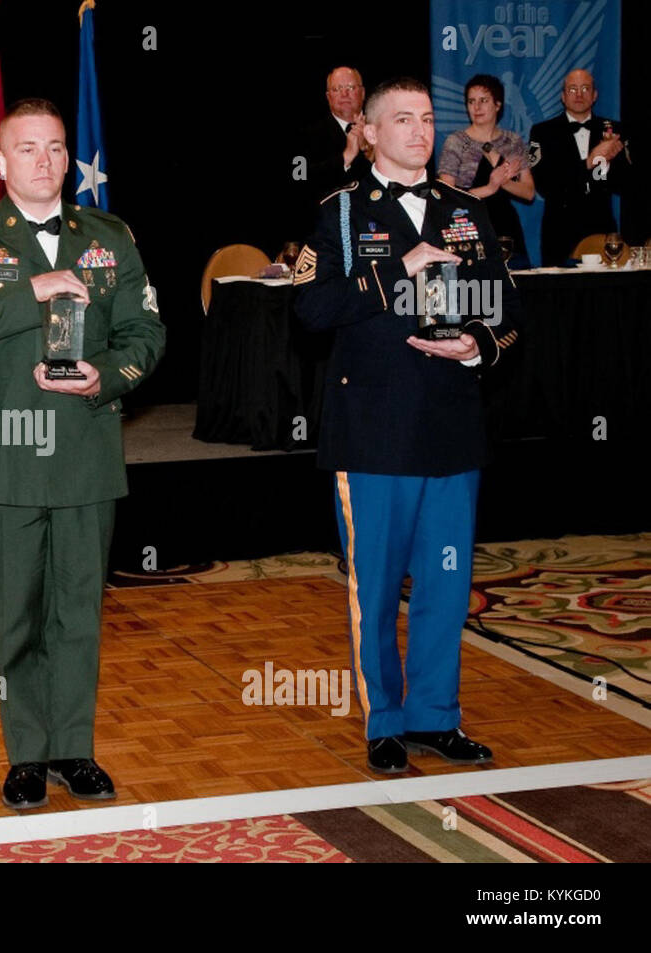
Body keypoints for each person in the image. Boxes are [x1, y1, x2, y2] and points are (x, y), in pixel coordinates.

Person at [0, 99, 165, 810]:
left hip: (87, 448)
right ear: (0, 161)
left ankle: (73, 748)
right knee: (17, 612)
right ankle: (25, 752)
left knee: (79, 610)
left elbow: (146, 333)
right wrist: (33, 291)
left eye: (56, 148)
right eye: (27, 149)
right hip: (1, 453)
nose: (45, 161)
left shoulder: (109, 235)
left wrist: (108, 378)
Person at [293, 78, 523, 776]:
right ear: (368, 129)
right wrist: (399, 270)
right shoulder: (337, 212)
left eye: (428, 118)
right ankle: (385, 720)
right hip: (373, 432)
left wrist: (477, 344)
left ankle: (435, 716)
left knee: (447, 584)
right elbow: (310, 309)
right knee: (378, 581)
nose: (421, 131)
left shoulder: (464, 209)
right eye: (403, 119)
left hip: (452, 426)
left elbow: (506, 307)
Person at [528, 69, 633, 265]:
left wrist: (608, 161)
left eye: (585, 88)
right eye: (573, 89)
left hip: (601, 228)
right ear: (563, 96)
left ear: (594, 96)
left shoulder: (614, 131)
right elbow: (546, 185)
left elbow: (625, 184)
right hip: (559, 231)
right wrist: (589, 161)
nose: (579, 94)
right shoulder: (543, 132)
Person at [437, 74, 534, 268]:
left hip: (505, 225)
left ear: (498, 105)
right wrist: (489, 188)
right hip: (466, 224)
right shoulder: (456, 142)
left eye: (483, 101)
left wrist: (504, 182)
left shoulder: (512, 141)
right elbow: (446, 196)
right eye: (471, 101)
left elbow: (529, 192)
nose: (477, 107)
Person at [303, 67, 373, 205]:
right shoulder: (307, 135)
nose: (344, 94)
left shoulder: (383, 130)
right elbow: (300, 178)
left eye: (351, 87)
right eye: (337, 89)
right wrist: (346, 156)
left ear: (363, 93)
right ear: (328, 97)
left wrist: (372, 152)